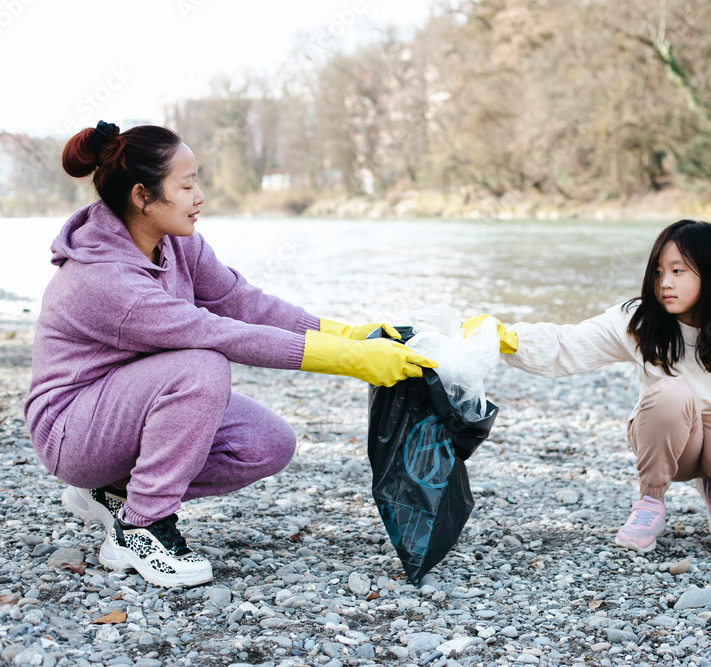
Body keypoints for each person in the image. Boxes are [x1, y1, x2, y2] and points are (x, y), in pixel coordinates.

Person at [24, 121, 436, 587]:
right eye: (186, 184)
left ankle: (114, 492)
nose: (199, 196)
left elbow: (243, 303)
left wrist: (350, 334)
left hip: (132, 403)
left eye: (196, 180)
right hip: (73, 431)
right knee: (203, 366)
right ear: (142, 196)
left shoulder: (176, 241)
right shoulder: (105, 281)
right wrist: (348, 361)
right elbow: (220, 333)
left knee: (265, 443)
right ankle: (140, 527)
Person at [463, 220, 711, 553]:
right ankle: (651, 501)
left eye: (678, 271)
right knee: (672, 391)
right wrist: (509, 338)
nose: (665, 283)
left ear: (709, 274)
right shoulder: (639, 320)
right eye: (659, 271)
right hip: (669, 430)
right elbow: (570, 345)